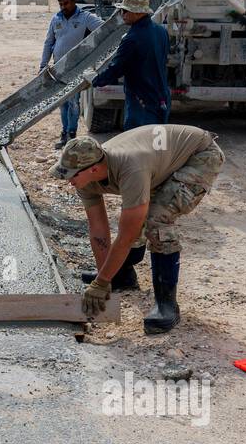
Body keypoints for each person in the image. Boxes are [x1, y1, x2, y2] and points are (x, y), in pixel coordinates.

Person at [52, 125, 224, 334]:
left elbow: (127, 235)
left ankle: (167, 306)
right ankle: (122, 277)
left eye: (72, 176)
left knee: (157, 219)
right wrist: (105, 280)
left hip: (198, 155)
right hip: (157, 162)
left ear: (93, 170)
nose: (68, 181)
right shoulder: (86, 178)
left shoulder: (131, 168)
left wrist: (102, 282)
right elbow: (98, 229)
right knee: (134, 215)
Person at [91, 0, 170, 131]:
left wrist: (96, 80)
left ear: (138, 13)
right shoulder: (161, 32)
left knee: (136, 144)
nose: (123, 15)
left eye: (126, 11)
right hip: (162, 98)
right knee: (157, 145)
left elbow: (117, 68)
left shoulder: (132, 38)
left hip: (141, 101)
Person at [39, 0, 103, 147]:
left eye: (66, 3)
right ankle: (64, 134)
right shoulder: (56, 19)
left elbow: (104, 29)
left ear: (74, 1)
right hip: (59, 68)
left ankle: (72, 135)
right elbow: (49, 43)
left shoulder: (86, 18)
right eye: (60, 4)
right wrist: (43, 65)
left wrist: (91, 51)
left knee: (73, 102)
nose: (63, 7)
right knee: (63, 103)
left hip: (76, 68)